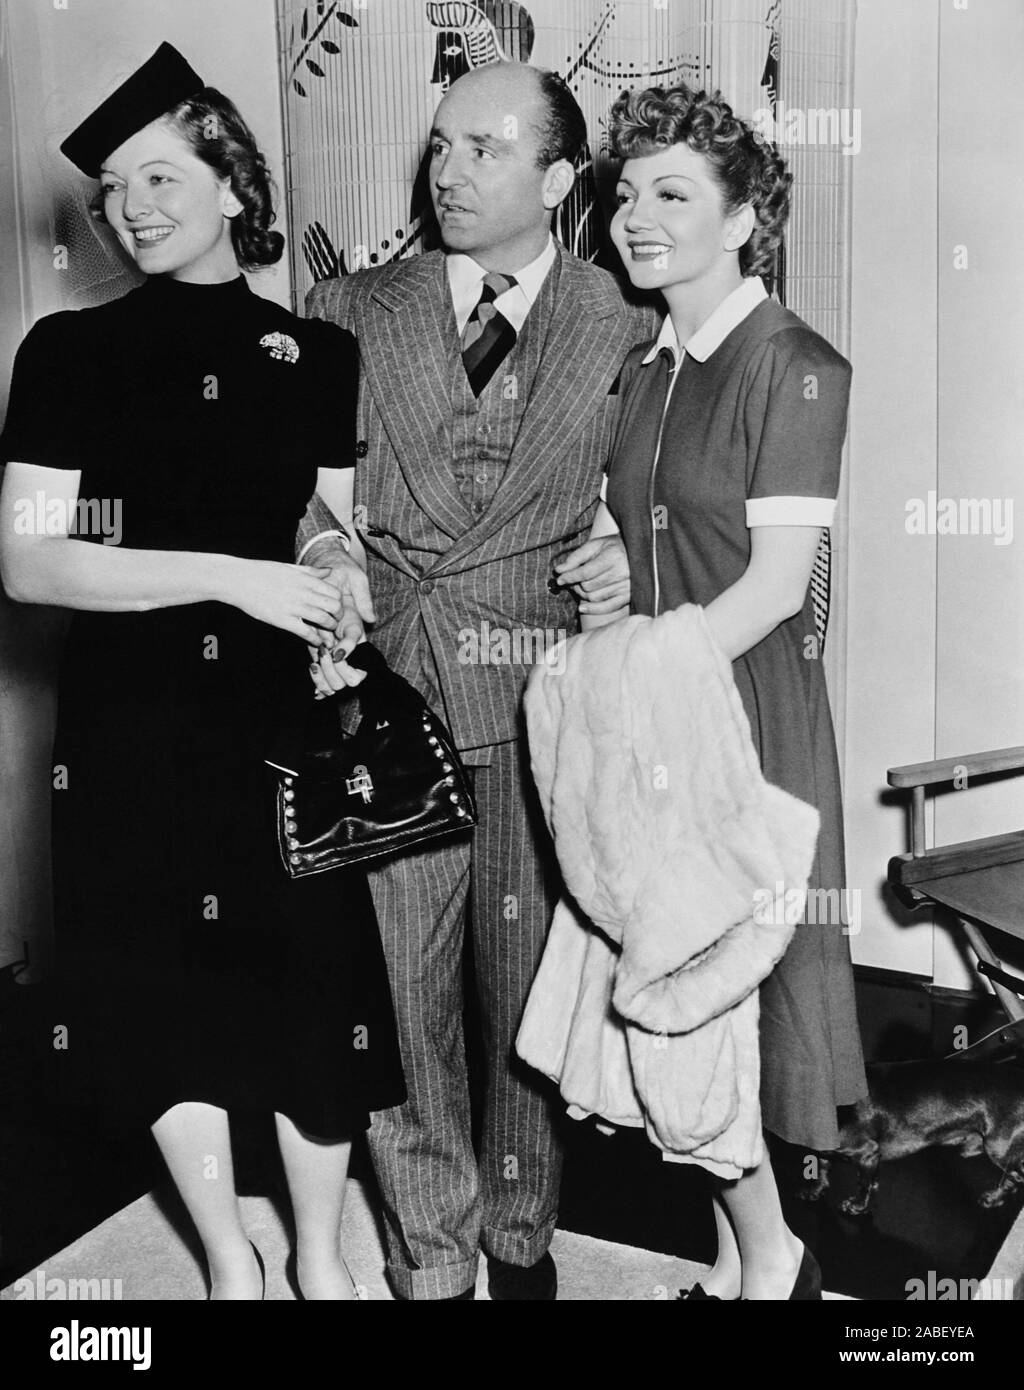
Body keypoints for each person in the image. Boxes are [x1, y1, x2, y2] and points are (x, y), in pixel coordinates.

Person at [0, 43, 405, 1301]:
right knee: (150, 991)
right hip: (127, 726)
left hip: (274, 724)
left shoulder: (313, 354)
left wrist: (340, 573)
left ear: (235, 185)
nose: (135, 207)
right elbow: (31, 566)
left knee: (311, 994)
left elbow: (319, 521)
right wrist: (234, 577)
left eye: (163, 176)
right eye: (116, 187)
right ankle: (231, 1256)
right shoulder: (66, 351)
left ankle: (322, 1262)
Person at [302, 61, 656, 1300]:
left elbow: (660, 491)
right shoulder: (349, 307)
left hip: (539, 696)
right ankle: (430, 1253)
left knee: (527, 998)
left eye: (484, 150)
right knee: (399, 995)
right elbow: (307, 495)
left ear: (558, 180)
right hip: (390, 698)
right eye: (440, 146)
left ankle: (519, 1237)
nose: (447, 171)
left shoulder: (626, 323)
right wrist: (321, 557)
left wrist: (623, 547)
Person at [595, 82, 867, 1299]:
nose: (635, 216)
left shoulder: (793, 364)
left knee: (729, 1004)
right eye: (624, 192)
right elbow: (644, 542)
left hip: (742, 718)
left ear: (744, 215)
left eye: (673, 193)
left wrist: (644, 674)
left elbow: (769, 588)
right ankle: (741, 1250)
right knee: (684, 1004)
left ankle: (773, 1259)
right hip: (663, 711)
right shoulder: (650, 363)